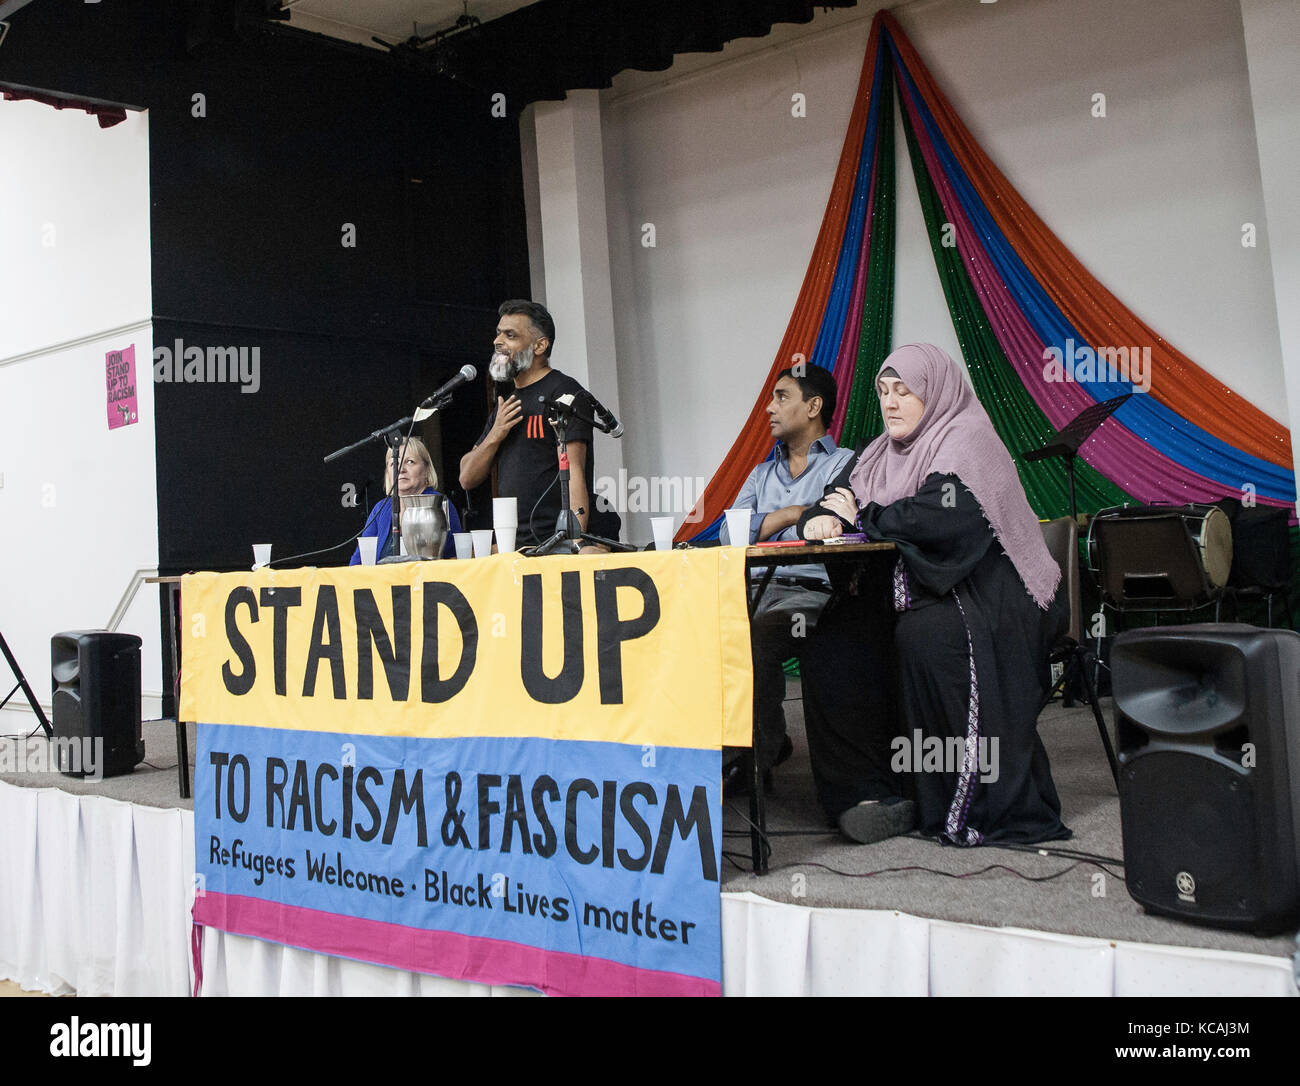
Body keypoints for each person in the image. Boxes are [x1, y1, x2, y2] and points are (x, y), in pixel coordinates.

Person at [800, 343, 1070, 847]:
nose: (891, 403)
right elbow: (827, 503)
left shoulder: (966, 439)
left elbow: (941, 518)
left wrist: (862, 515)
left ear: (936, 391)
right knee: (834, 644)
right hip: (915, 585)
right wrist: (821, 517)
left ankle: (952, 803)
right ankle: (868, 795)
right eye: (883, 392)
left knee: (929, 637)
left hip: (986, 587)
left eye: (905, 391)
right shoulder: (875, 453)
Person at [719, 365, 855, 794]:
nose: (769, 407)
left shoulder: (845, 463)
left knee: (754, 638)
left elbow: (832, 520)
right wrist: (794, 513)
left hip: (812, 592)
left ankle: (754, 759)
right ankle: (737, 748)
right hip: (751, 588)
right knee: (696, 631)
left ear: (813, 406)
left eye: (781, 397)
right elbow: (728, 533)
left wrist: (768, 523)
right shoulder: (760, 474)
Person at [458, 300, 594, 549]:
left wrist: (575, 543)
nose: (498, 342)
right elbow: (466, 478)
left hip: (554, 543)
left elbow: (574, 470)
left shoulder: (564, 393)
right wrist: (495, 435)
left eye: (510, 335)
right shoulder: (507, 404)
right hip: (512, 545)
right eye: (498, 333)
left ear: (540, 345)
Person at [351, 436, 462, 563]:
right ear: (388, 472)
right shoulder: (380, 508)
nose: (401, 470)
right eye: (394, 463)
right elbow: (357, 562)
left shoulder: (439, 503)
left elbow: (455, 557)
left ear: (426, 469)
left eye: (410, 462)